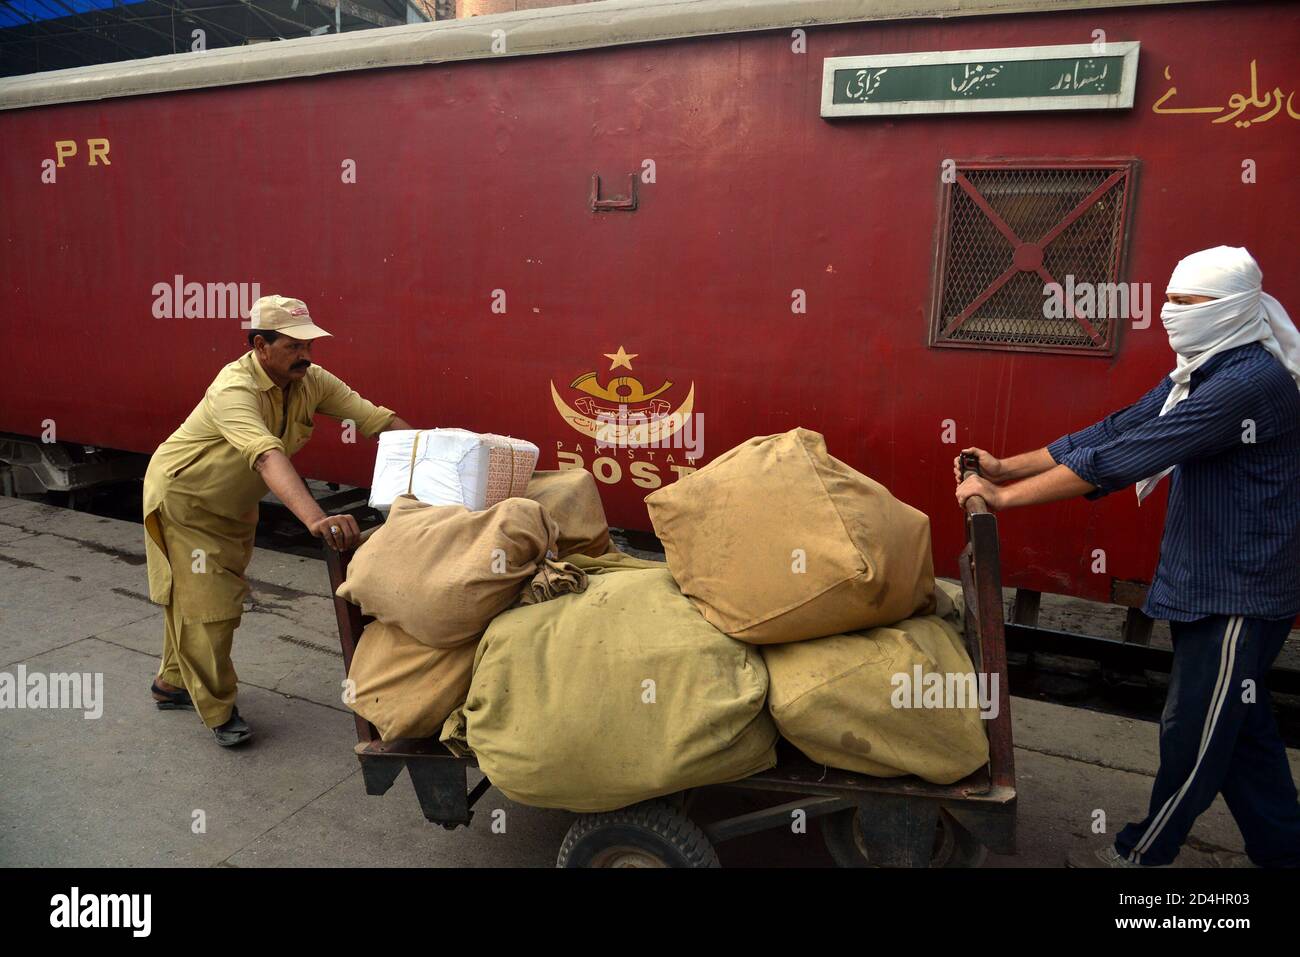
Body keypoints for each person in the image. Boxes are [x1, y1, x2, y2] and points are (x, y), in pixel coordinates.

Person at [954, 246, 1300, 867]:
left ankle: (1141, 861)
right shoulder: (1205, 367)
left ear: (1231, 309)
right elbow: (1113, 430)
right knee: (1244, 735)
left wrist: (1002, 499)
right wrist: (1009, 466)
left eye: (1187, 304)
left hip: (1240, 595)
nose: (1169, 315)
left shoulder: (1248, 384)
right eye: (1166, 301)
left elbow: (1125, 459)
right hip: (1212, 585)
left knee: (1192, 741)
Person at [142, 295, 412, 746]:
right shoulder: (234, 388)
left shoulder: (311, 381)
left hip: (234, 502)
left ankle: (171, 683)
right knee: (213, 610)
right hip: (186, 502)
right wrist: (316, 520)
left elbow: (375, 419)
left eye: (310, 346)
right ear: (260, 345)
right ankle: (218, 710)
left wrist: (439, 457)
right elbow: (266, 456)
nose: (306, 355)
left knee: (198, 600)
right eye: (293, 346)